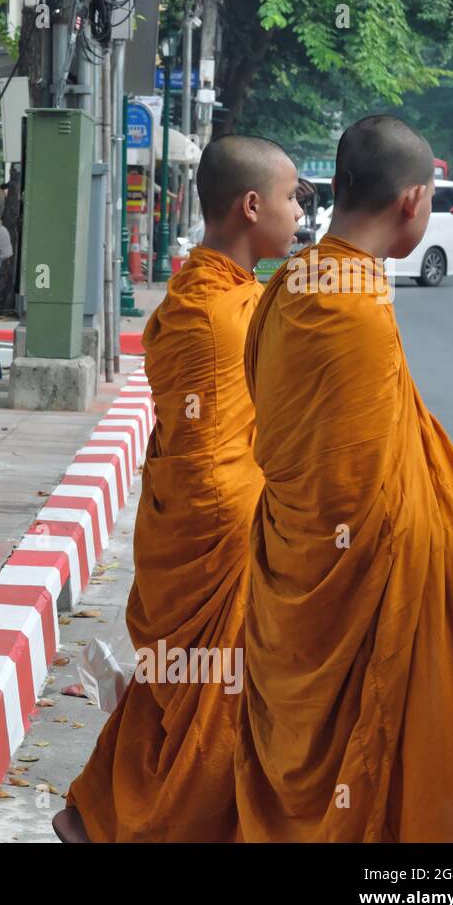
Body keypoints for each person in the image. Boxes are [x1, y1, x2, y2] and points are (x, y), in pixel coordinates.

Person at [238, 115, 453, 841]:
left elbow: (361, 460)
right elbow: (372, 508)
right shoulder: (357, 306)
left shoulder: (294, 282)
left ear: (337, 186)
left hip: (292, 571)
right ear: (413, 201)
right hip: (362, 594)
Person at [56, 136, 302, 842]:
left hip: (186, 513)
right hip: (228, 518)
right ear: (252, 207)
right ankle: (141, 825)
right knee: (216, 697)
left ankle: (92, 812)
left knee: (188, 689)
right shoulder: (238, 312)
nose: (297, 213)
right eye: (291, 198)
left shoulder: (198, 293)